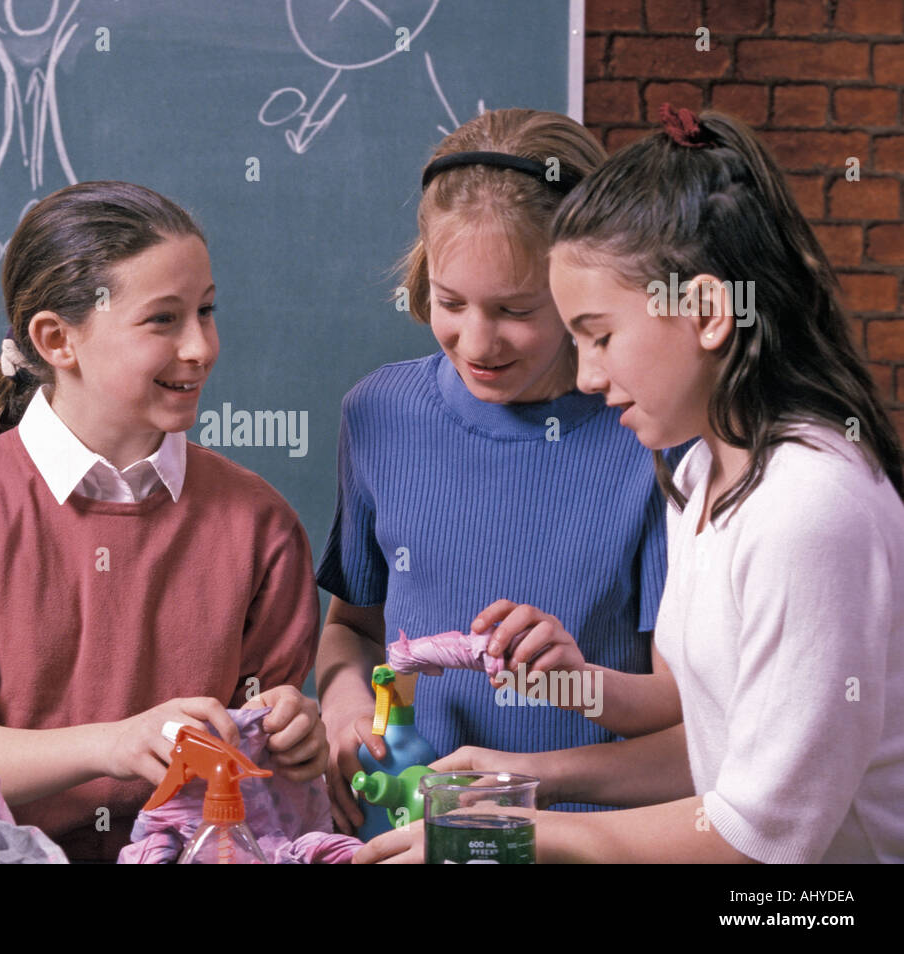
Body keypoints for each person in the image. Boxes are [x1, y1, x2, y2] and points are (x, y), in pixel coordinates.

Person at [362, 106, 904, 863]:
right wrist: (530, 769)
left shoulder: (809, 509)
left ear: (709, 312)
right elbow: (710, 742)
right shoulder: (700, 471)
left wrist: (519, 832)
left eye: (600, 335)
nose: (586, 375)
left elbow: (765, 837)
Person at [0, 181, 326, 862]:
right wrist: (112, 744)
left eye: (206, 312)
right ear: (58, 339)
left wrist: (294, 735)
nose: (201, 347)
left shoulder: (261, 525)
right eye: (163, 321)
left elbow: (265, 772)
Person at [316, 108, 688, 837]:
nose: (477, 341)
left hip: (587, 842)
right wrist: (344, 705)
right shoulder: (377, 414)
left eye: (516, 309)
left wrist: (577, 682)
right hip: (406, 836)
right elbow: (353, 626)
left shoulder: (649, 438)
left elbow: (687, 711)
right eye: (452, 303)